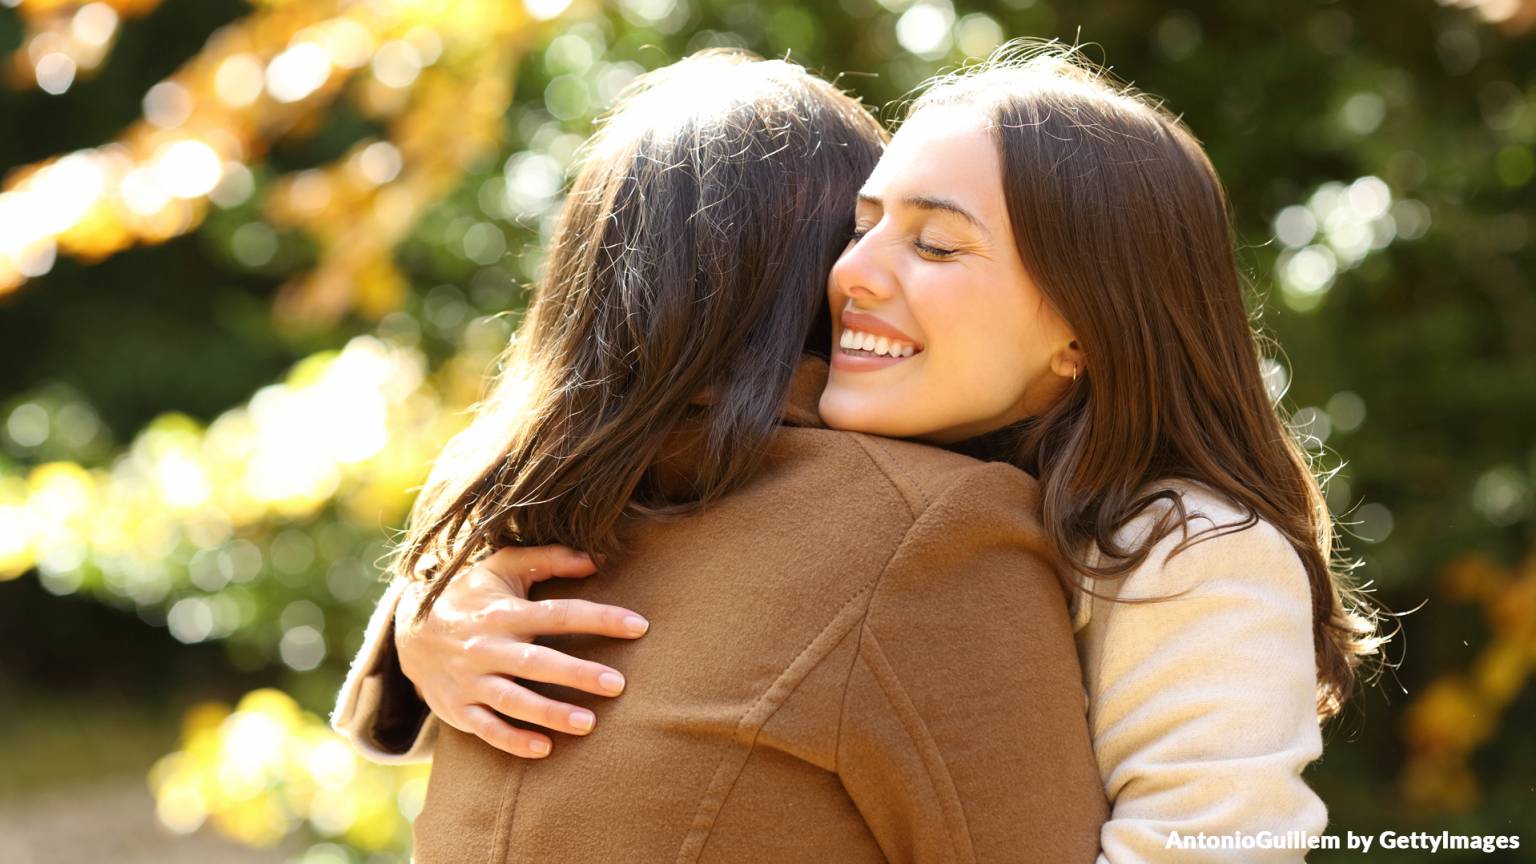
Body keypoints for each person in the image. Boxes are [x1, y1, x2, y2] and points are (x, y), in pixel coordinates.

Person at [336, 41, 1384, 862]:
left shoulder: (1192, 551)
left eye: (933, 243)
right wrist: (430, 607)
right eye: (861, 226)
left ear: (1083, 331)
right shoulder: (874, 480)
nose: (852, 273)